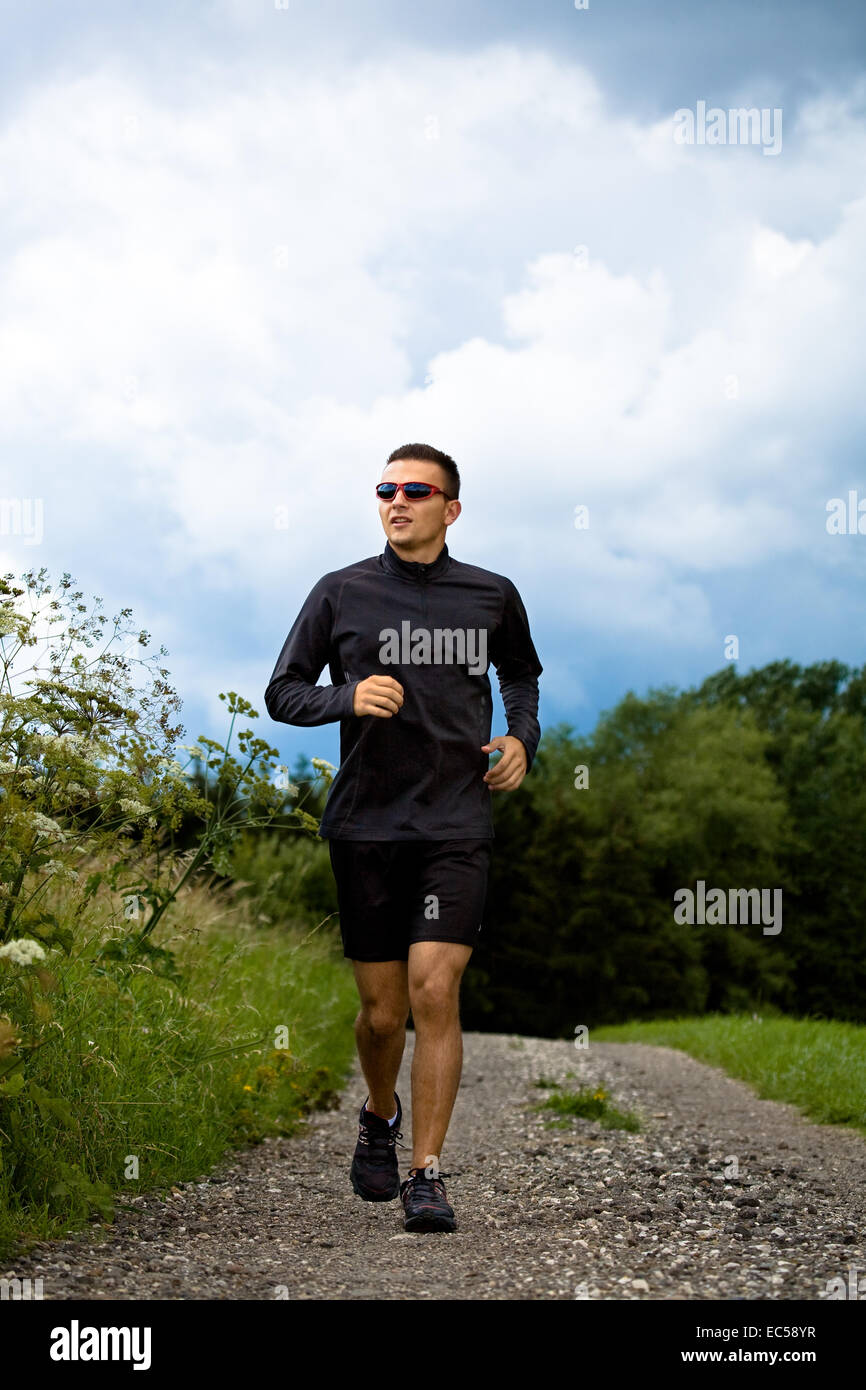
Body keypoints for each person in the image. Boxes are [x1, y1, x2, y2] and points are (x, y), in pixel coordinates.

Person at [264, 443, 542, 1232]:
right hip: (367, 824)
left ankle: (427, 1174)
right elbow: (283, 692)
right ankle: (377, 1115)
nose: (397, 501)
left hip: (455, 819)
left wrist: (522, 737)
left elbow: (520, 675)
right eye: (386, 489)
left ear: (450, 509)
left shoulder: (492, 595)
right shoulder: (340, 591)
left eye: (416, 491)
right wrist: (347, 696)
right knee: (384, 1015)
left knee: (434, 990)